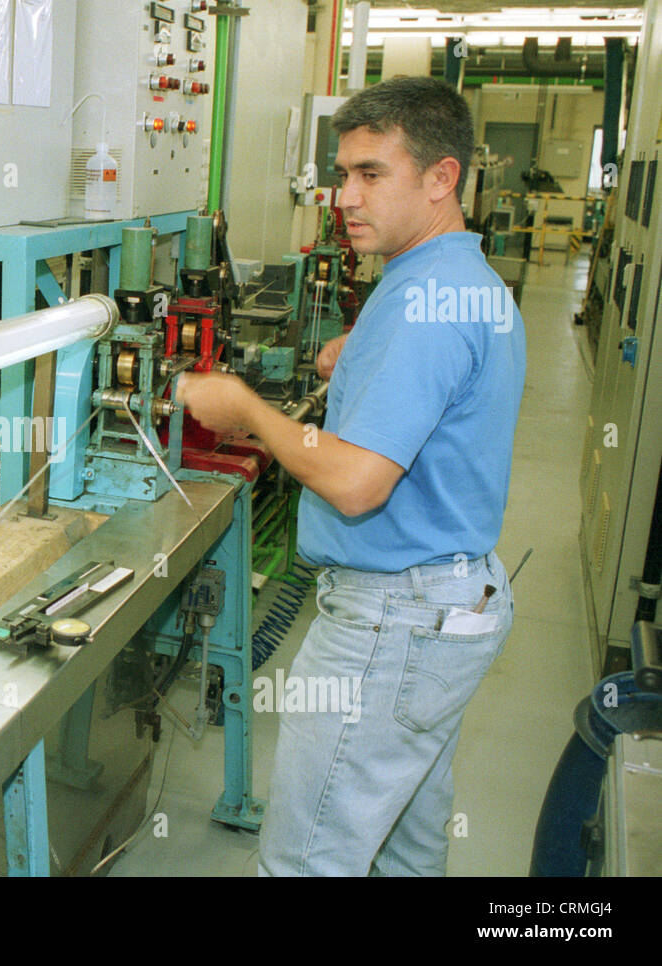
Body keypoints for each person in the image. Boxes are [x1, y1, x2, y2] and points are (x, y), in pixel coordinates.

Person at [177, 76, 525, 876]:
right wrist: (361, 357)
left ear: (441, 178)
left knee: (308, 862)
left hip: (390, 625)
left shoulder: (420, 304)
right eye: (342, 175)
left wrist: (247, 413)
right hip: (448, 603)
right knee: (405, 851)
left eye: (372, 174)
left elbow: (359, 484)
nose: (346, 196)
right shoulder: (461, 282)